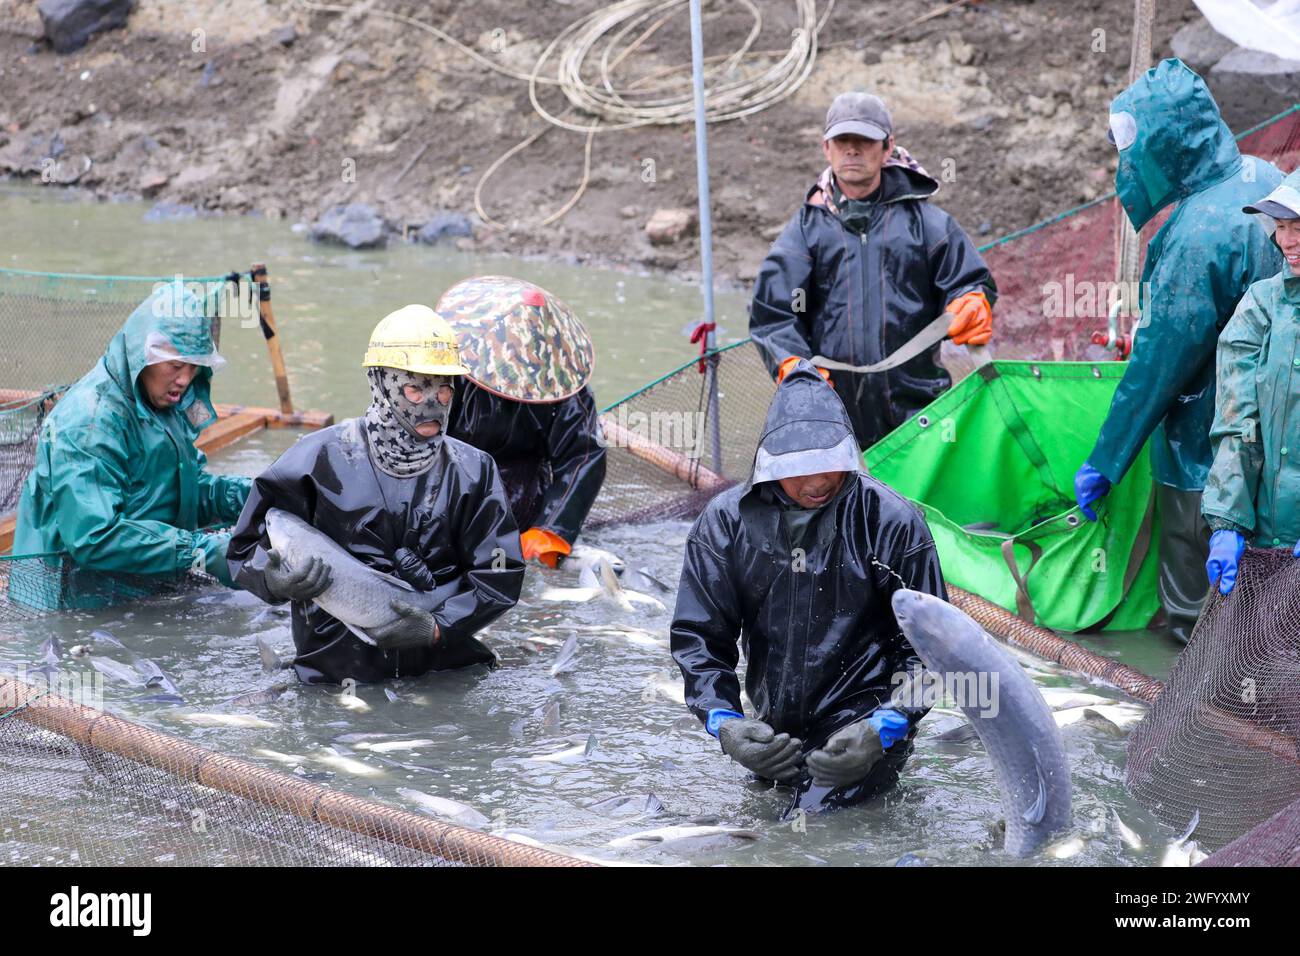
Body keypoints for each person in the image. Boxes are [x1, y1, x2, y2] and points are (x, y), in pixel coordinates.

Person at [670, 359, 947, 811]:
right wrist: (725, 723)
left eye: (830, 466)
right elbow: (701, 638)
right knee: (760, 828)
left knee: (818, 823)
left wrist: (886, 727)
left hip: (863, 725)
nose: (818, 482)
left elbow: (933, 650)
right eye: (801, 469)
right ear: (770, 465)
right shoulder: (724, 524)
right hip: (773, 728)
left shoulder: (891, 522)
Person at [1073, 59, 1284, 641]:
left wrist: (1106, 460)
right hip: (1278, 449)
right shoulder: (1266, 181)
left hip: (1203, 457)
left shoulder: (1197, 236)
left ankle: (1193, 717)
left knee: (1200, 622)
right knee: (1268, 609)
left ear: (1165, 145)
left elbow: (1159, 366)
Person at [227, 305, 525, 685]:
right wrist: (272, 582)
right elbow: (244, 547)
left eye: (445, 388)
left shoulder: (474, 469)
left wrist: (437, 628)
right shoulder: (316, 458)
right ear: (381, 384)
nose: (432, 403)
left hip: (445, 670)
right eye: (415, 389)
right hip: (335, 675)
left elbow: (500, 571)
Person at [749, 91, 996, 450]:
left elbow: (969, 281)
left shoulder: (928, 223)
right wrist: (790, 363)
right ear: (826, 148)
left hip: (919, 408)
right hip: (830, 412)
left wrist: (971, 299)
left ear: (887, 147)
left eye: (864, 141)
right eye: (842, 141)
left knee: (916, 506)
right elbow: (772, 315)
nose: (852, 150)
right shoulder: (804, 230)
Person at [11, 284, 250, 609]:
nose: (184, 378)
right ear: (142, 355)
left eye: (193, 366)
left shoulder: (164, 402)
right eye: (175, 365)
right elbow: (94, 536)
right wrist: (199, 553)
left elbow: (188, 490)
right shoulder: (91, 422)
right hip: (74, 601)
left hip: (145, 581)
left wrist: (256, 497)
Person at [439, 276, 606, 569]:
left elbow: (584, 455)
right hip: (451, 469)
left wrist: (551, 530)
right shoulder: (448, 369)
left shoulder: (563, 384)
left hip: (521, 483)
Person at [1202, 170, 1300, 595]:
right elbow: (1238, 420)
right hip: (1268, 545)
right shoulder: (1262, 303)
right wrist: (1227, 520)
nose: (1288, 242)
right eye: (1281, 228)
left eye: (1299, 227)